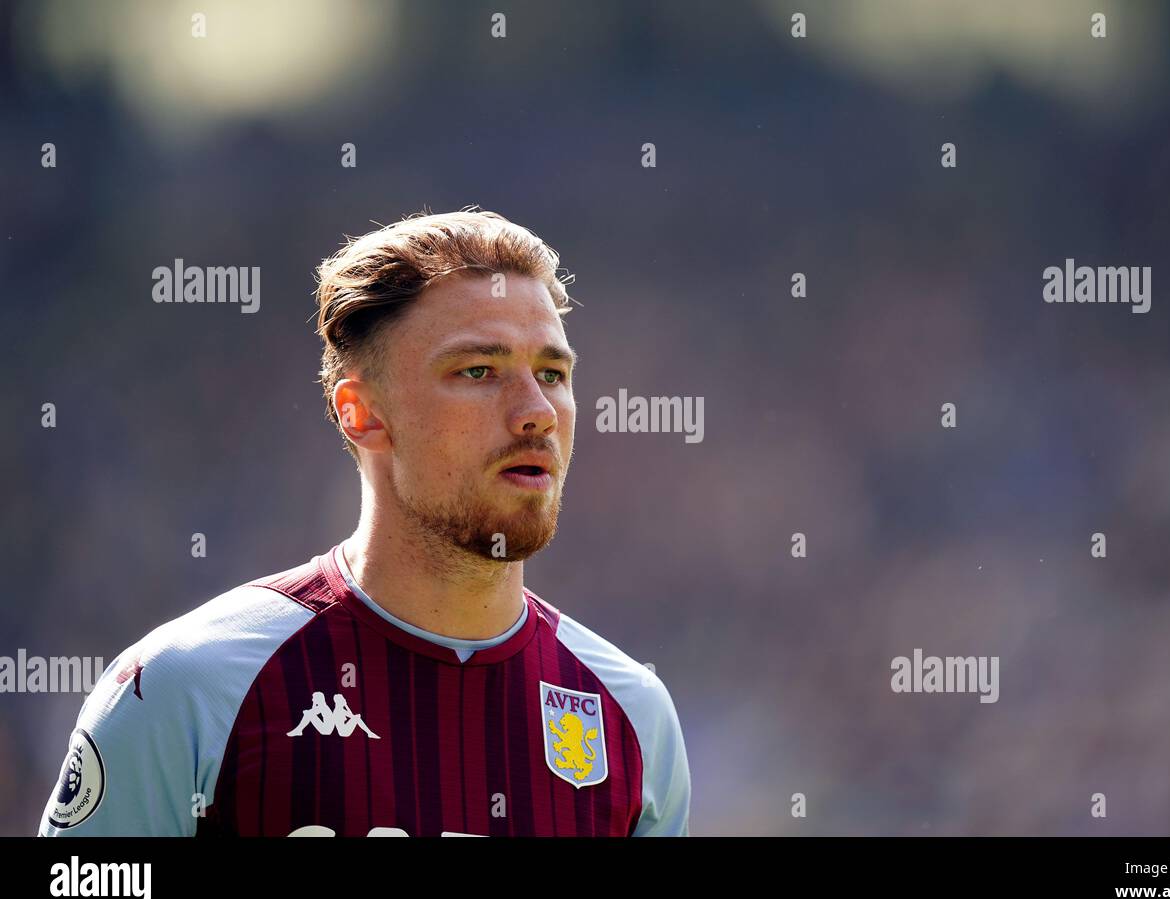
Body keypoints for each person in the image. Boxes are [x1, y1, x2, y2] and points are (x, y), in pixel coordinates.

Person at [39, 208, 690, 836]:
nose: (537, 411)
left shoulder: (633, 718)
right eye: (479, 371)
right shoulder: (188, 688)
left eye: (552, 373)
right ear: (361, 411)